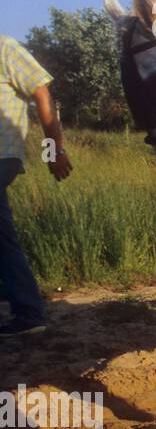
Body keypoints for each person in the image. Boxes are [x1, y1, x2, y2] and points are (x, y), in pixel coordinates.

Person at [0, 34, 72, 335]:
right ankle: (23, 302)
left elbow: (41, 93)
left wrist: (53, 150)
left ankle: (29, 310)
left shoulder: (5, 47)